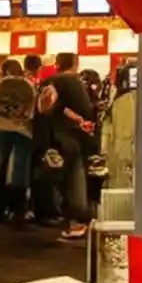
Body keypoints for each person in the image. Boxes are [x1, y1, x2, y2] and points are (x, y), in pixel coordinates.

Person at [40, 53, 96, 240]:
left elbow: (44, 108)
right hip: (74, 136)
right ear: (75, 64)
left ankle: (71, 220)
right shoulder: (74, 82)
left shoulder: (50, 82)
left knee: (64, 180)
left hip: (55, 136)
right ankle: (78, 220)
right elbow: (87, 109)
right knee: (76, 177)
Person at [0, 59, 37, 227]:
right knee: (19, 172)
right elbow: (31, 111)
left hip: (1, 129)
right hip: (23, 132)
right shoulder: (29, 86)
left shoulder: (1, 86)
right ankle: (19, 212)